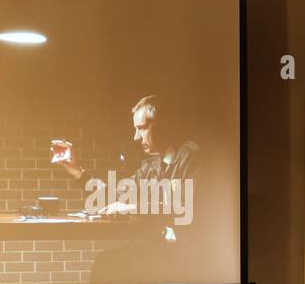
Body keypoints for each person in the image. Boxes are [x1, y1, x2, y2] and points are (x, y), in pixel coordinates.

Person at [50, 94, 200, 219]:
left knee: (108, 257)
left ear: (162, 125)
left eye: (142, 128)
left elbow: (183, 208)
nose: (136, 137)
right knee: (106, 257)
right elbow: (114, 197)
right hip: (160, 246)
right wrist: (77, 171)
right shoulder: (150, 166)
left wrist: (130, 208)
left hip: (186, 250)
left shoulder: (190, 156)